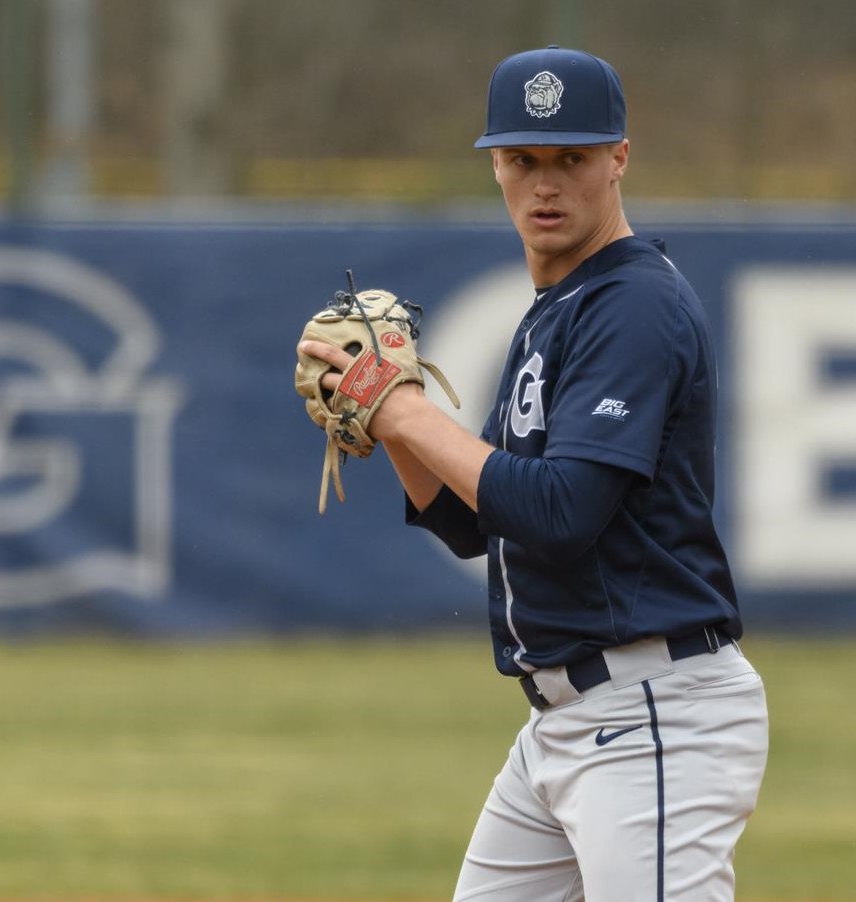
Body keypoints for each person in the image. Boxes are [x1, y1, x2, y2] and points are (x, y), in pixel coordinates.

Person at [299, 46, 768, 901]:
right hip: (565, 725)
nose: (545, 185)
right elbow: (472, 524)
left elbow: (560, 512)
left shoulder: (635, 306)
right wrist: (386, 414)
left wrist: (400, 407)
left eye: (572, 160)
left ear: (619, 158)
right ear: (495, 167)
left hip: (653, 715)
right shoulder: (558, 312)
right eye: (524, 160)